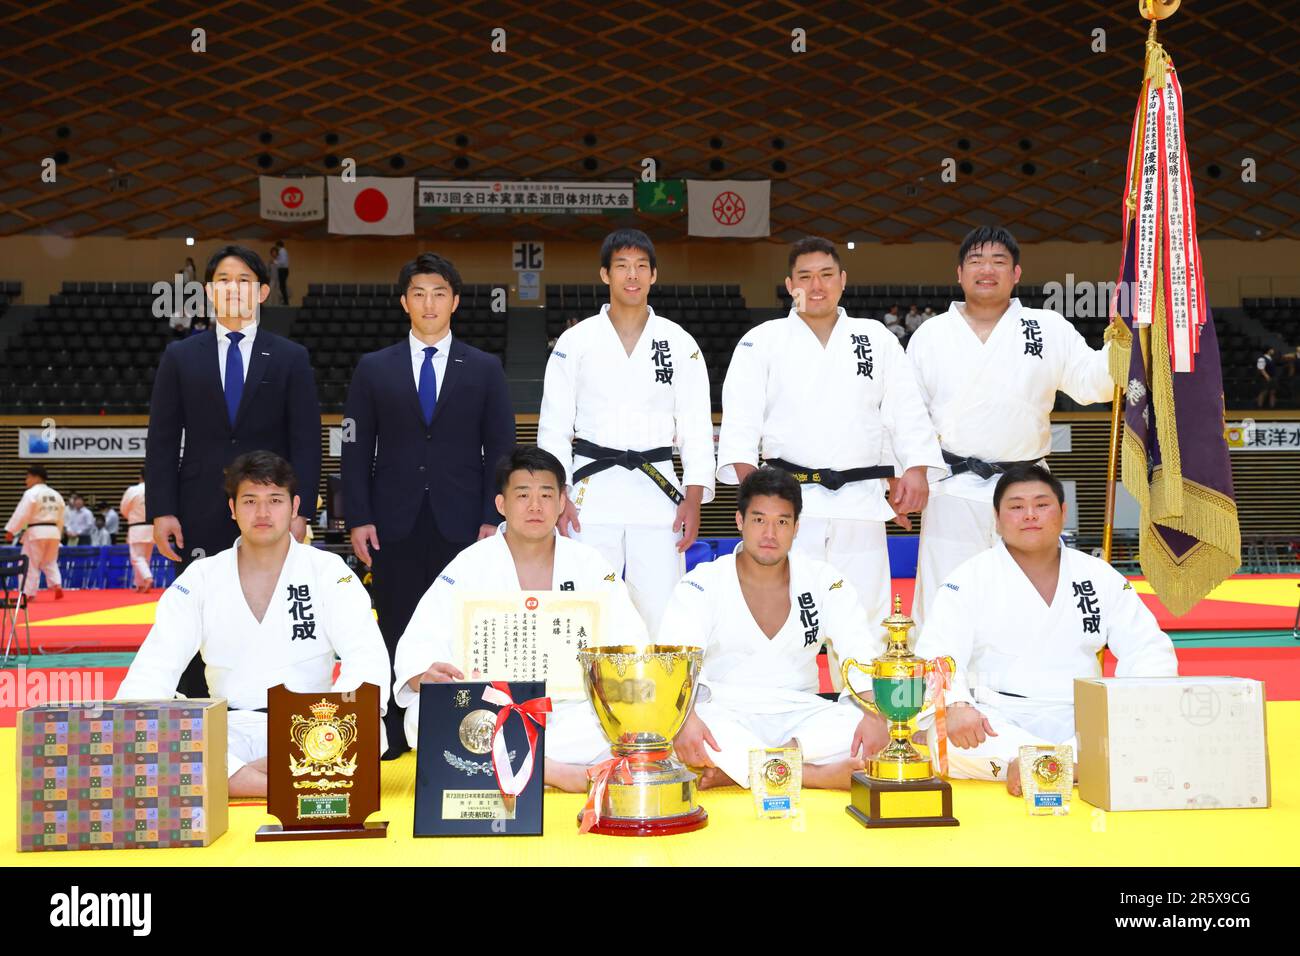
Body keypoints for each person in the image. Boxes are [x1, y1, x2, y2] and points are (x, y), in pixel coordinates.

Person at [116, 452, 390, 798]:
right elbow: (156, 664)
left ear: (294, 508)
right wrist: (131, 723)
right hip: (225, 731)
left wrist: (335, 724)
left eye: (275, 500)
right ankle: (292, 783)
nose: (262, 513)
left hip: (313, 727)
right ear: (232, 508)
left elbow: (366, 656)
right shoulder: (201, 577)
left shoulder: (328, 570)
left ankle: (240, 781)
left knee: (369, 729)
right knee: (149, 730)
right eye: (250, 501)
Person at [716, 236, 944, 638]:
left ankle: (862, 699)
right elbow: (740, 420)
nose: (816, 286)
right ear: (789, 286)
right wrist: (754, 489)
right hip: (791, 502)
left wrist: (915, 469)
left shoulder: (874, 338)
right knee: (787, 611)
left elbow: (903, 410)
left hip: (859, 501)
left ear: (842, 280)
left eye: (825, 275)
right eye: (805, 277)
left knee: (864, 615)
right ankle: (787, 693)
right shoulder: (762, 341)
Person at [392, 446, 647, 792]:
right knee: (422, 715)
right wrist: (424, 672)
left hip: (569, 709)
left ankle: (513, 765)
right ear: (501, 504)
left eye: (546, 495)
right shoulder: (469, 564)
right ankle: (551, 771)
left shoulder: (589, 564)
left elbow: (630, 639)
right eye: (523, 495)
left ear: (561, 503)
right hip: (493, 709)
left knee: (625, 714)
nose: (535, 506)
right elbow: (423, 636)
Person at [913, 464, 1178, 794]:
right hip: (997, 719)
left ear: (1063, 512)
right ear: (997, 519)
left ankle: (1037, 765)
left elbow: (1147, 647)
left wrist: (1132, 702)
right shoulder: (968, 579)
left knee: (1152, 718)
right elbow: (940, 651)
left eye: (1041, 504)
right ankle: (1076, 766)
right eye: (1016, 507)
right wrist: (956, 706)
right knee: (948, 738)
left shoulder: (1099, 576)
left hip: (1083, 715)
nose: (1030, 515)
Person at [342, 252, 515, 758]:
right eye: (418, 293)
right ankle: (395, 729)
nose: (429, 302)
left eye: (439, 293)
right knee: (394, 620)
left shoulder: (483, 368)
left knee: (463, 621)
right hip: (391, 520)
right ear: (404, 302)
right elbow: (355, 447)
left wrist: (492, 515)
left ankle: (465, 724)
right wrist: (359, 517)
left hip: (464, 520)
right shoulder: (374, 368)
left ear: (456, 302)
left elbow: (501, 448)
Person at [906, 225, 1115, 628]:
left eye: (999, 261)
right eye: (976, 261)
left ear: (1016, 274)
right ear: (959, 274)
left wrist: (1122, 340)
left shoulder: (1048, 327)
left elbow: (1095, 384)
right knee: (945, 595)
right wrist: (900, 476)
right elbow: (907, 414)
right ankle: (942, 685)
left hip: (1027, 487)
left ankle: (1026, 682)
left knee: (1030, 592)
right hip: (952, 486)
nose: (988, 269)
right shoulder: (931, 335)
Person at [146, 244, 321, 698]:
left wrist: (301, 511)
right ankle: (194, 709)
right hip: (199, 504)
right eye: (224, 280)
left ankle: (273, 703)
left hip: (270, 509)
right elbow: (163, 439)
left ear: (263, 291)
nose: (234, 289)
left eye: (244, 280)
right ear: (209, 291)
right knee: (198, 610)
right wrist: (162, 509)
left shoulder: (290, 357)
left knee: (271, 605)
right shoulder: (180, 357)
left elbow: (306, 440)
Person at [665, 468, 889, 791]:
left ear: (797, 528)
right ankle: (811, 774)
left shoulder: (823, 581)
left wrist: (874, 714)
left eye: (782, 522)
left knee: (864, 723)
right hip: (727, 712)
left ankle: (743, 770)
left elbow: (859, 648)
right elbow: (675, 661)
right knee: (684, 725)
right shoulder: (703, 582)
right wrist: (686, 721)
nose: (770, 533)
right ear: (739, 521)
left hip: (801, 714)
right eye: (759, 520)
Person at [538, 229, 714, 637]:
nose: (631, 275)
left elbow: (696, 428)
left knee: (662, 610)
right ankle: (580, 700)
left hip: (659, 496)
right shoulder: (575, 342)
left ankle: (660, 697)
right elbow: (554, 428)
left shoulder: (679, 343)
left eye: (640, 267)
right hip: (588, 495)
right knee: (584, 610)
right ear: (605, 275)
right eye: (621, 266)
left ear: (654, 275)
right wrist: (557, 493)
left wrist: (694, 496)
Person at [4, 465, 65, 602]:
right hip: (53, 532)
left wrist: (11, 530)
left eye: (28, 477)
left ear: (36, 477)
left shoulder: (32, 493)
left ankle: (26, 594)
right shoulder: (56, 495)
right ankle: (56, 584)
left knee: (30, 562)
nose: (26, 480)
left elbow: (22, 513)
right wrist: (58, 534)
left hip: (36, 532)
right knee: (50, 561)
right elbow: (61, 517)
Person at [120, 468, 154, 591]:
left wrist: (131, 516)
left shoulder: (133, 490)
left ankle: (147, 577)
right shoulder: (155, 490)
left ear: (140, 477)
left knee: (137, 557)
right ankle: (140, 585)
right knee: (146, 558)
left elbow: (124, 508)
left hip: (137, 526)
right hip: (152, 526)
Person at [272, 241, 290, 306]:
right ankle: (285, 301)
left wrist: (275, 262)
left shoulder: (282, 251)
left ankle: (286, 301)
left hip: (283, 270)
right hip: (283, 270)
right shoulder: (283, 251)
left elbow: (283, 261)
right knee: (282, 286)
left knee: (282, 286)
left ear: (278, 246)